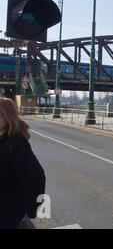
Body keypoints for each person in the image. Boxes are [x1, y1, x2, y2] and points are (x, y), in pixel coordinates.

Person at [0, 98, 46, 229]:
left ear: (8, 116)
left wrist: (32, 208)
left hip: (6, 213)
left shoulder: (16, 145)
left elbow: (37, 177)